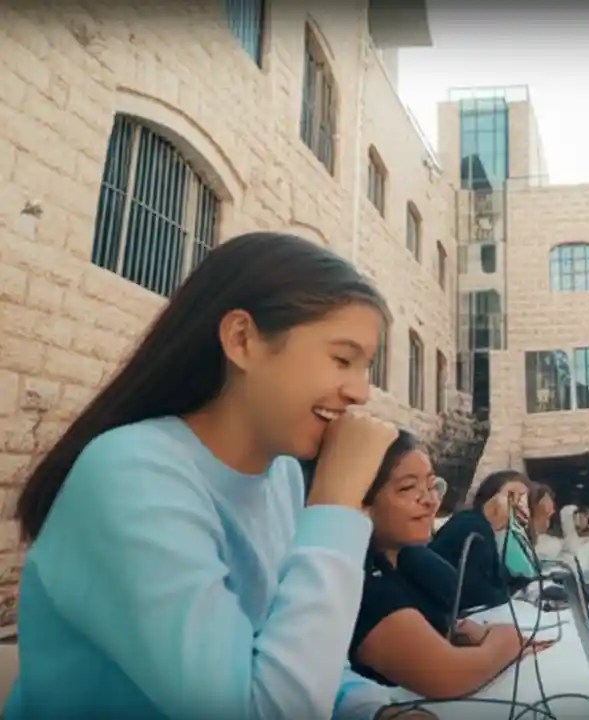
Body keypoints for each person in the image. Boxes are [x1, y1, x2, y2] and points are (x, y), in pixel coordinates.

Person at [5, 232, 429, 719]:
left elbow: (295, 653)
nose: (359, 392)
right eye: (342, 359)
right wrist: (335, 508)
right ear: (242, 340)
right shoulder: (132, 473)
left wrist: (375, 709)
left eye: (366, 367)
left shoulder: (283, 476)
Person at [351, 430, 550, 699]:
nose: (430, 500)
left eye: (432, 485)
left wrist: (462, 634)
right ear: (360, 499)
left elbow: (451, 616)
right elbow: (447, 675)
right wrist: (504, 642)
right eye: (409, 488)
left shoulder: (408, 558)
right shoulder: (357, 578)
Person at [430, 470, 533, 610]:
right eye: (511, 495)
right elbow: (475, 592)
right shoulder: (472, 527)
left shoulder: (483, 526)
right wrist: (509, 596)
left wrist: (524, 583)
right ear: (491, 497)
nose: (517, 504)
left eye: (522, 497)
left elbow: (497, 576)